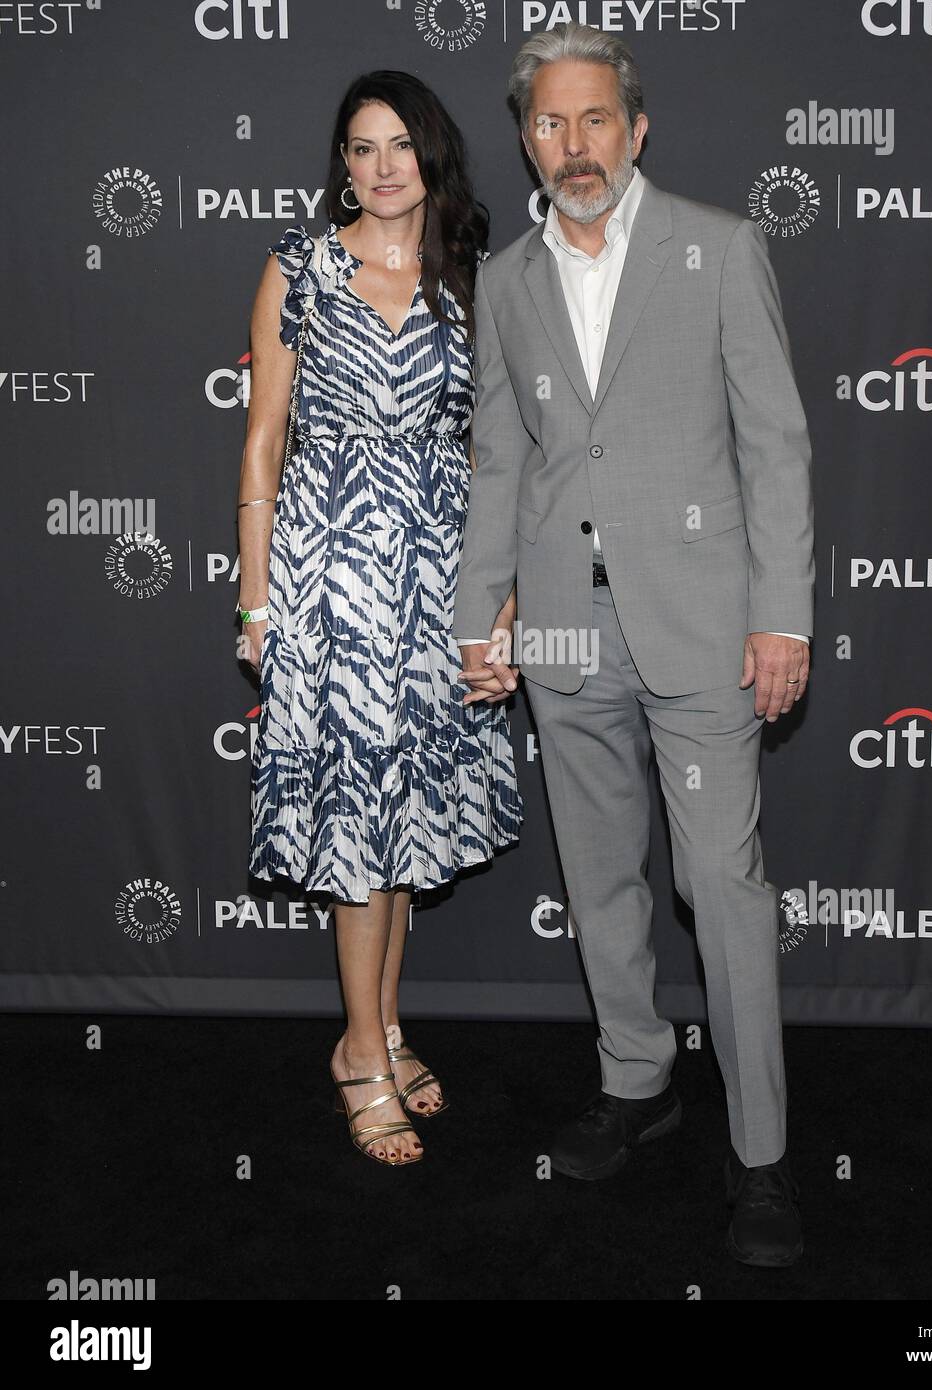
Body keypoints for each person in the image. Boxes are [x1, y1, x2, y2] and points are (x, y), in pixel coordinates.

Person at [454, 23, 814, 1264]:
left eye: (594, 119)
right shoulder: (503, 280)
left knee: (720, 890)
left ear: (636, 125)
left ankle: (761, 1156)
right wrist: (476, 613)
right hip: (560, 624)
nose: (574, 144)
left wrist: (781, 615)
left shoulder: (717, 248)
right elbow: (500, 459)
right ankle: (636, 1080)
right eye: (550, 124)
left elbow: (774, 443)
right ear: (525, 139)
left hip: (704, 623)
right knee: (599, 882)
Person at [238, 72, 523, 1167]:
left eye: (400, 144)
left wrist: (493, 604)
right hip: (328, 574)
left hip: (437, 576)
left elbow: (498, 460)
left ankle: (387, 1025)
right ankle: (359, 1049)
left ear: (431, 154)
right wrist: (255, 594)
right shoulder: (298, 270)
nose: (382, 166)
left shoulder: (473, 279)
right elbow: (263, 440)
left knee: (405, 814)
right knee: (358, 818)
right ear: (341, 164)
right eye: (361, 148)